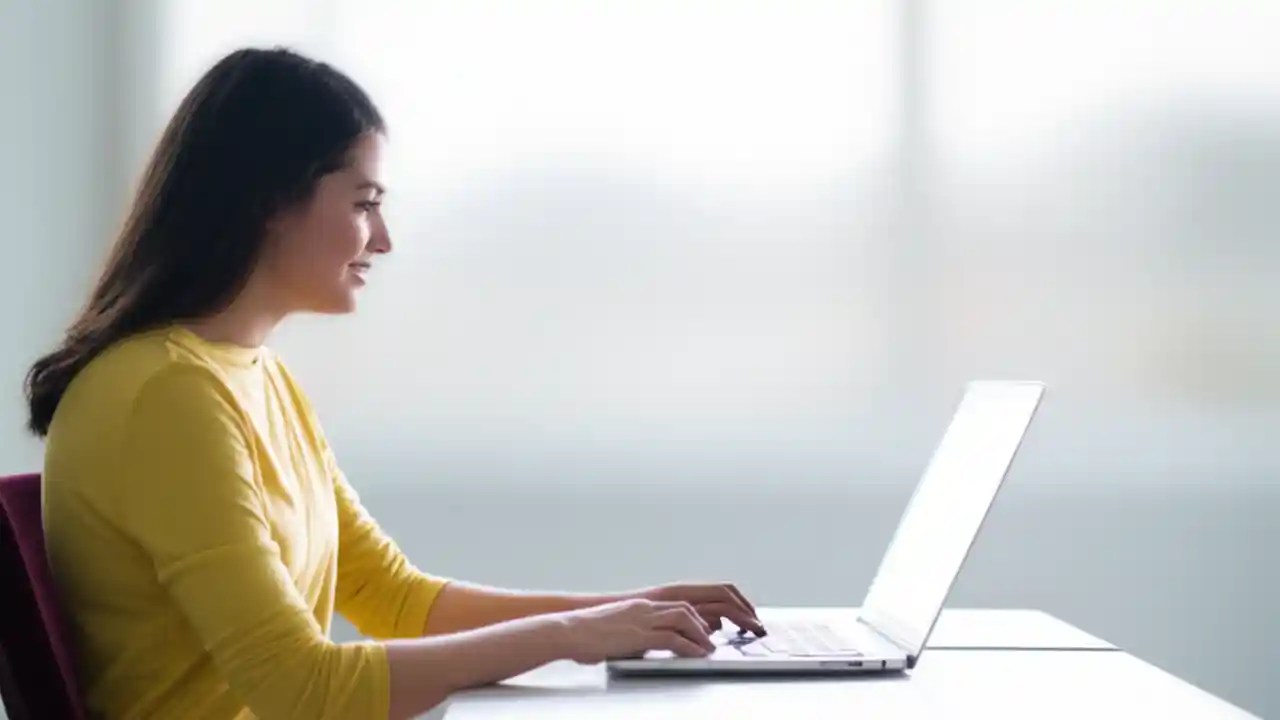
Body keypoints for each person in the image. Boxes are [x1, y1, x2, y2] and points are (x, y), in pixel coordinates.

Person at [25, 47, 765, 720]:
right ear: (269, 201)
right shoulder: (167, 396)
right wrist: (573, 635)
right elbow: (299, 688)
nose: (383, 239)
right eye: (364, 202)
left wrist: (626, 614)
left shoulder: (255, 379)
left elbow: (393, 599)